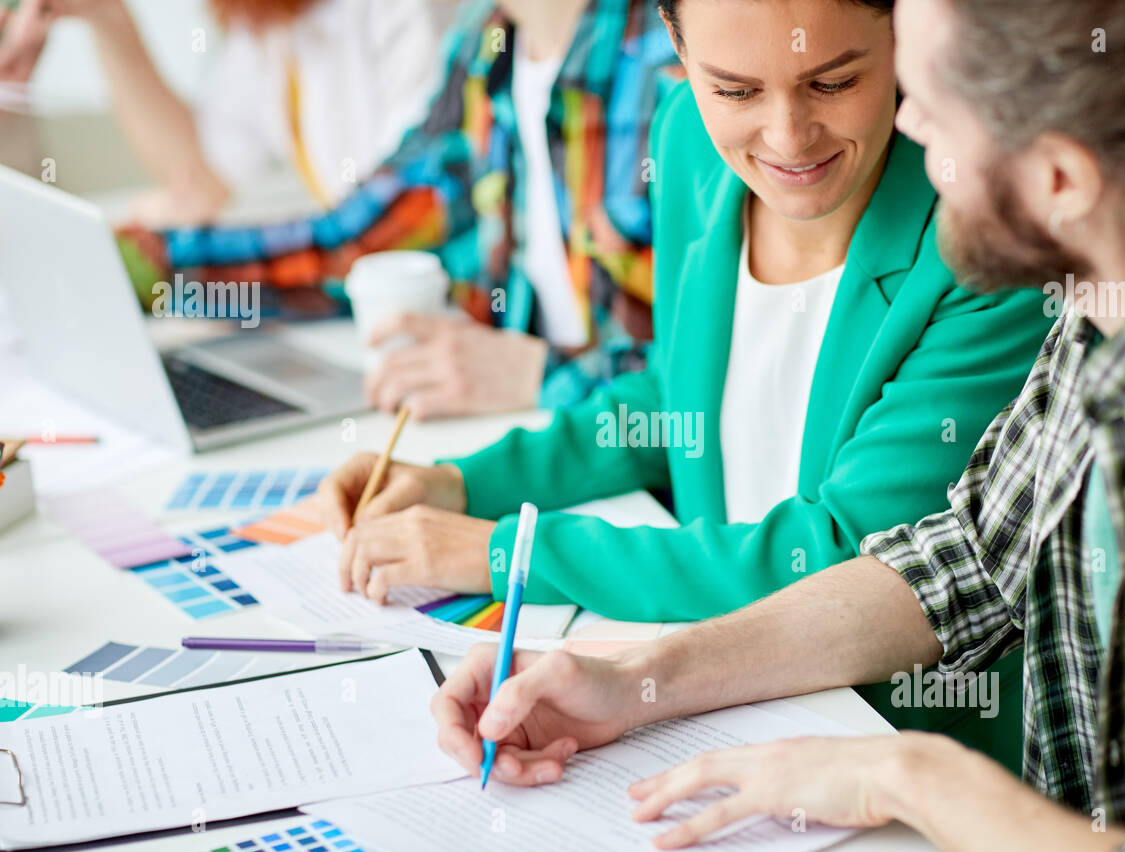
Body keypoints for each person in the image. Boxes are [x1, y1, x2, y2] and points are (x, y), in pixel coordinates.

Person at [432, 0, 1125, 852]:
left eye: (925, 101)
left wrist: (909, 776)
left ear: (1060, 180)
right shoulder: (1108, 298)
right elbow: (965, 559)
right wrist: (633, 684)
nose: (907, 127)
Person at [321, 0, 1049, 768]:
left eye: (833, 82)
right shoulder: (688, 146)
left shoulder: (982, 235)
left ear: (902, 34)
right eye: (736, 91)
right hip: (708, 700)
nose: (787, 136)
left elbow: (840, 561)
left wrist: (510, 551)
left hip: (893, 742)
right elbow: (676, 402)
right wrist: (463, 483)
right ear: (675, 43)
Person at [117, 0, 680, 416]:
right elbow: (355, 242)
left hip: (664, 519)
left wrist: (541, 372)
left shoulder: (679, 60)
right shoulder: (484, 48)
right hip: (544, 464)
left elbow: (710, 390)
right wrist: (146, 270)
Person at [1, 0, 457, 224]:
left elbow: (406, 213)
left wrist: (180, 262)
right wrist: (108, 20)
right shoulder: (265, 24)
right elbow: (201, 180)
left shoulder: (403, 11)